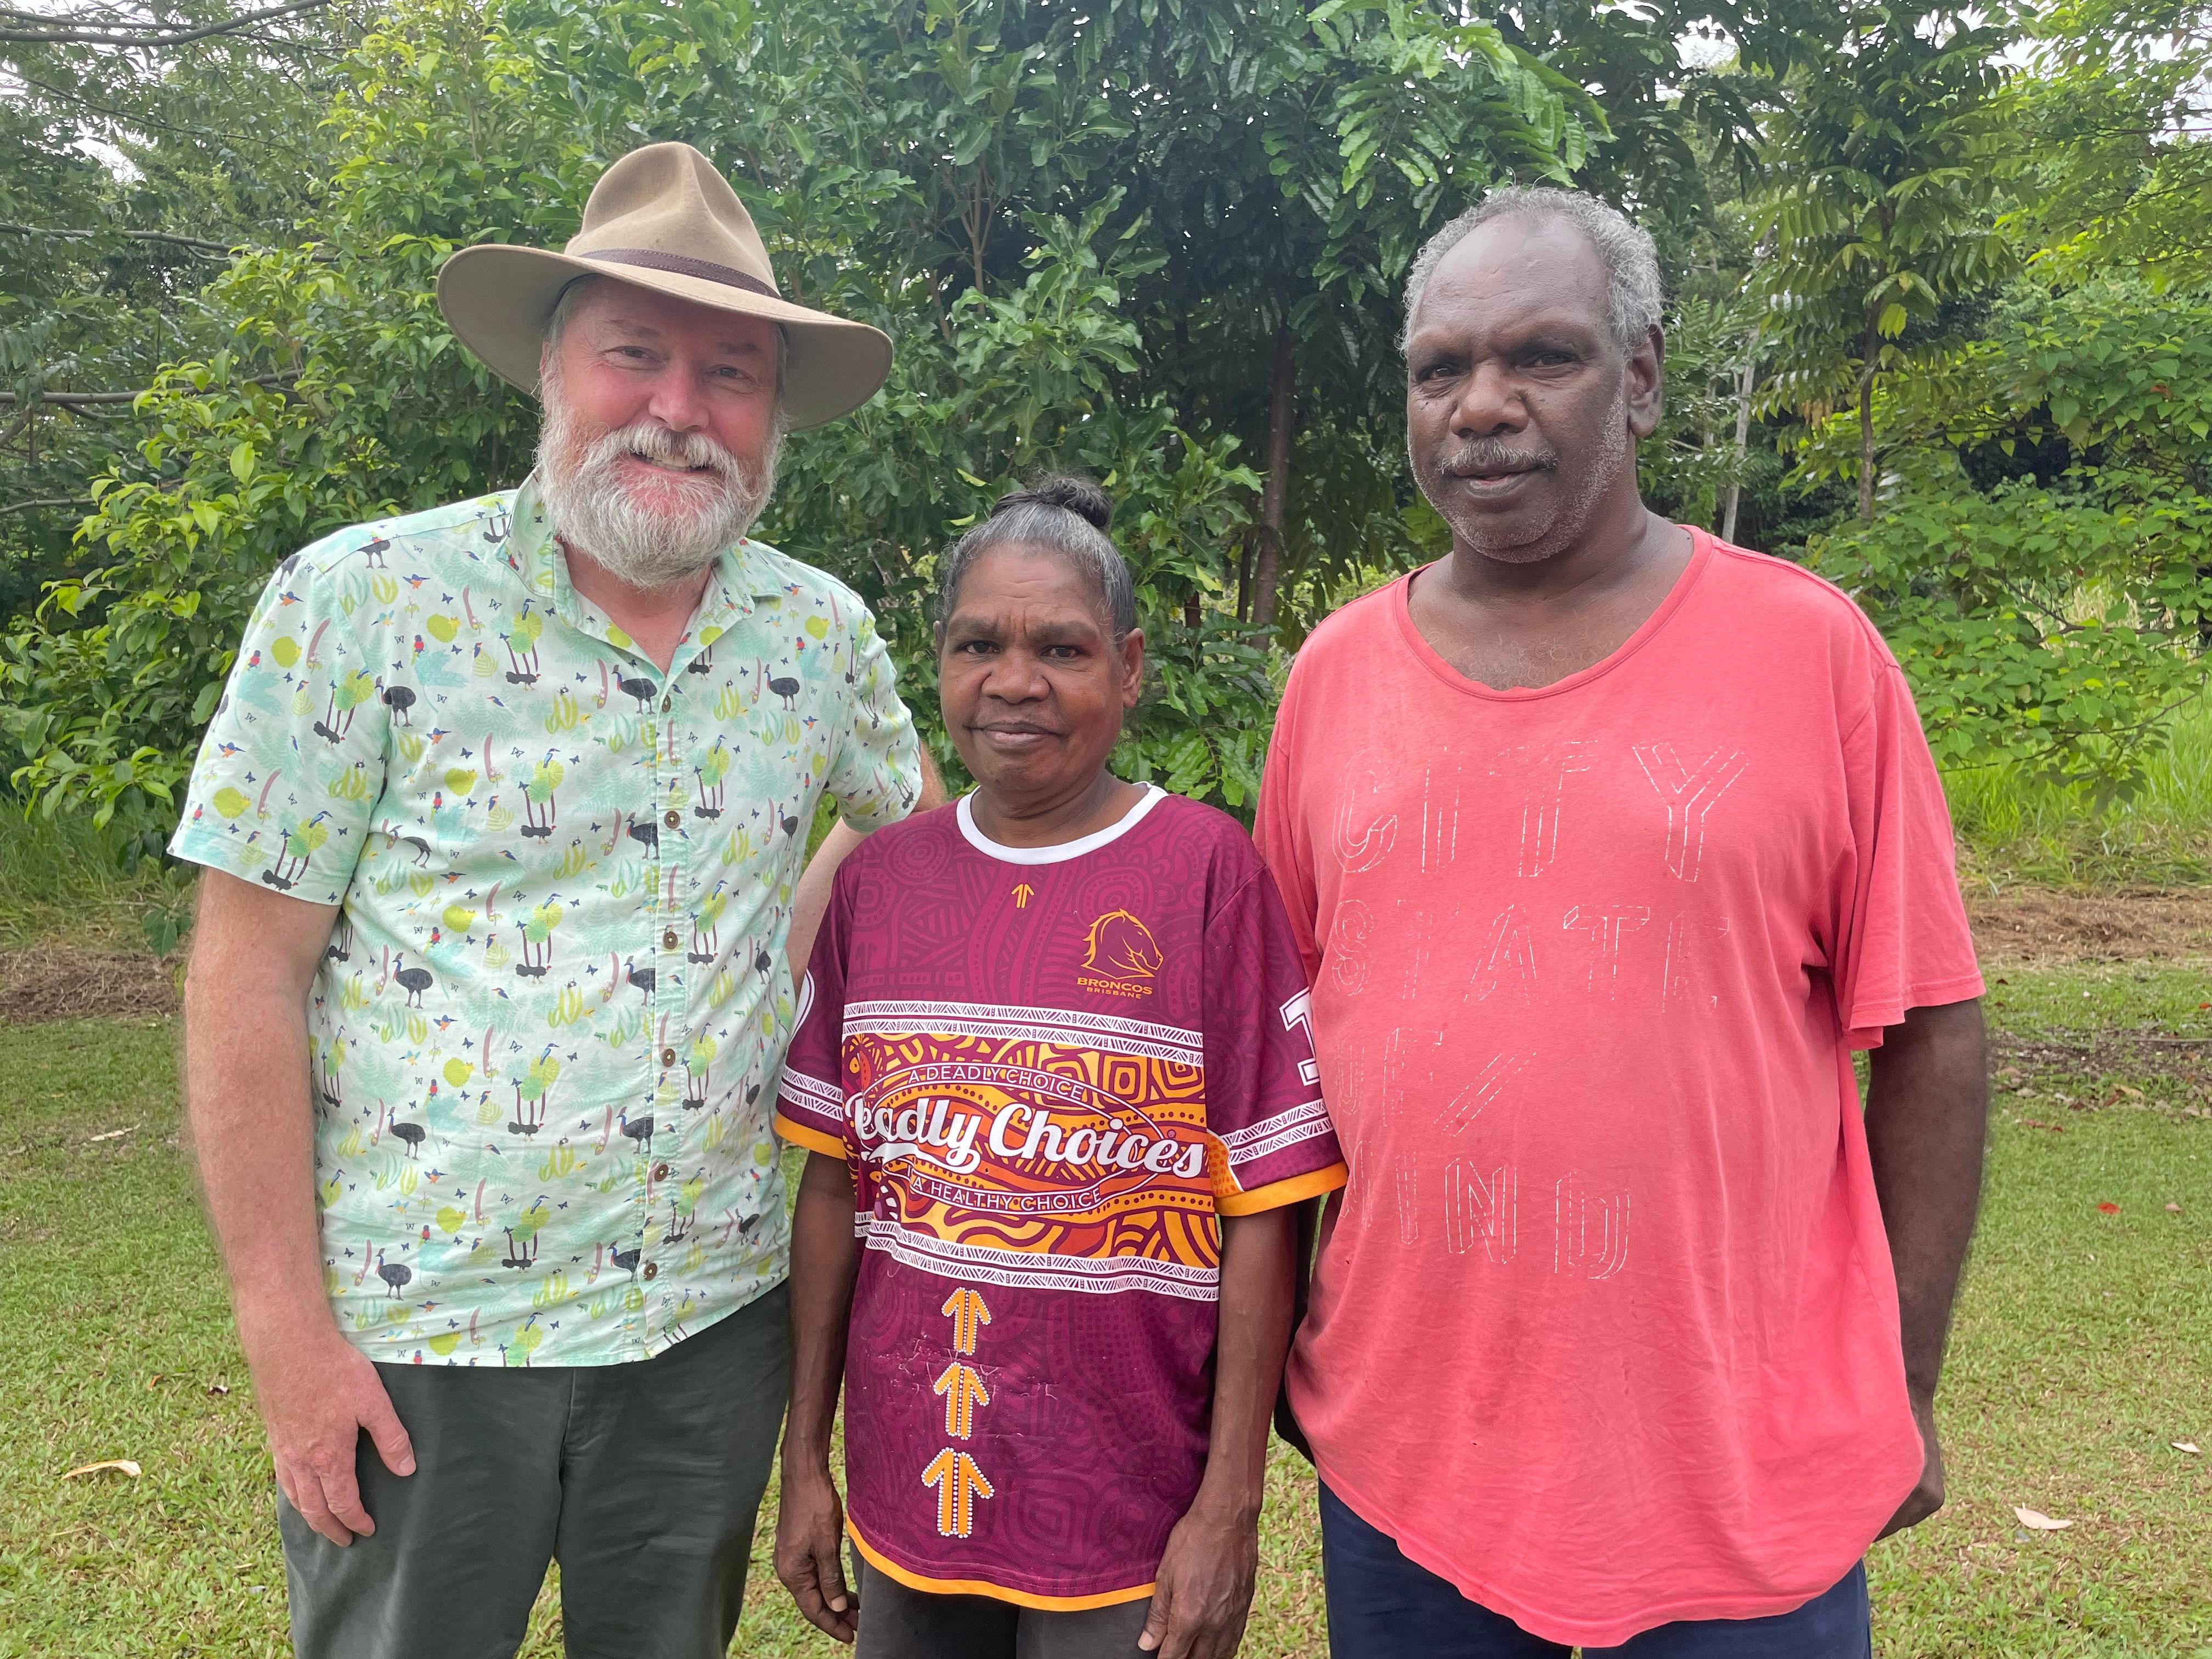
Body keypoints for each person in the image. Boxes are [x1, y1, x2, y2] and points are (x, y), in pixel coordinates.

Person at [172, 140, 941, 1659]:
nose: (680, 409)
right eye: (635, 354)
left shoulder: (818, 636)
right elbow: (245, 971)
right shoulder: (360, 599)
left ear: (774, 414)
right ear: (551, 368)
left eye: (731, 374)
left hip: (706, 1326)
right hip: (424, 1327)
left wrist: (778, 952)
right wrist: (284, 1334)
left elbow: (902, 814)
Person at [1254, 188, 1990, 1657]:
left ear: (1642, 377)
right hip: (1408, 1453)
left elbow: (1933, 1035)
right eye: (1440, 369)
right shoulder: (1335, 677)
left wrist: (1904, 1380)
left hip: (1740, 1461)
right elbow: (1279, 1073)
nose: (1481, 407)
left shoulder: (1813, 654)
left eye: (1543, 356)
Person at [771, 477, 1347, 1659]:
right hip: (910, 1486)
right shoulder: (881, 885)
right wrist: (805, 1459)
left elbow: (1265, 1209)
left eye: (1062, 648)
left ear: (1128, 669)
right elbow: (833, 1187)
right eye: (979, 644)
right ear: (941, 662)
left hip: (1130, 1500)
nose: (1014, 681)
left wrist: (1230, 1506)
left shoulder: (1205, 874)